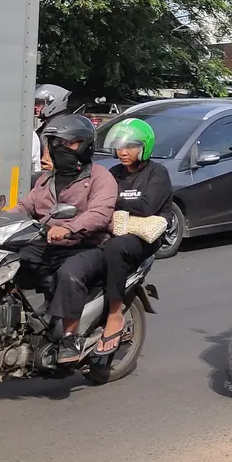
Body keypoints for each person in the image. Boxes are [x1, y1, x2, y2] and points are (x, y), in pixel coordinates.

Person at [54, 118, 174, 357]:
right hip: (115, 228)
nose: (123, 152)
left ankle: (114, 313)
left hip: (143, 236)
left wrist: (113, 201)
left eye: (130, 146)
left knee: (114, 249)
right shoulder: (115, 173)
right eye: (120, 146)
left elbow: (146, 207)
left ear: (145, 147)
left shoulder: (157, 173)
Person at [13, 114, 118, 364]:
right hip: (50, 242)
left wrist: (69, 228)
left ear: (85, 145)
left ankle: (70, 338)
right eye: (56, 143)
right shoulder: (47, 179)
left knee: (69, 274)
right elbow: (25, 207)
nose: (61, 148)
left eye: (69, 143)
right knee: (11, 263)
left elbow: (100, 214)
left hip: (88, 244)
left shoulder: (100, 177)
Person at [33, 83, 72, 176]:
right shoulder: (43, 129)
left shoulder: (66, 130)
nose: (35, 107)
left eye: (39, 103)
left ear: (52, 103)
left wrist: (56, 169)